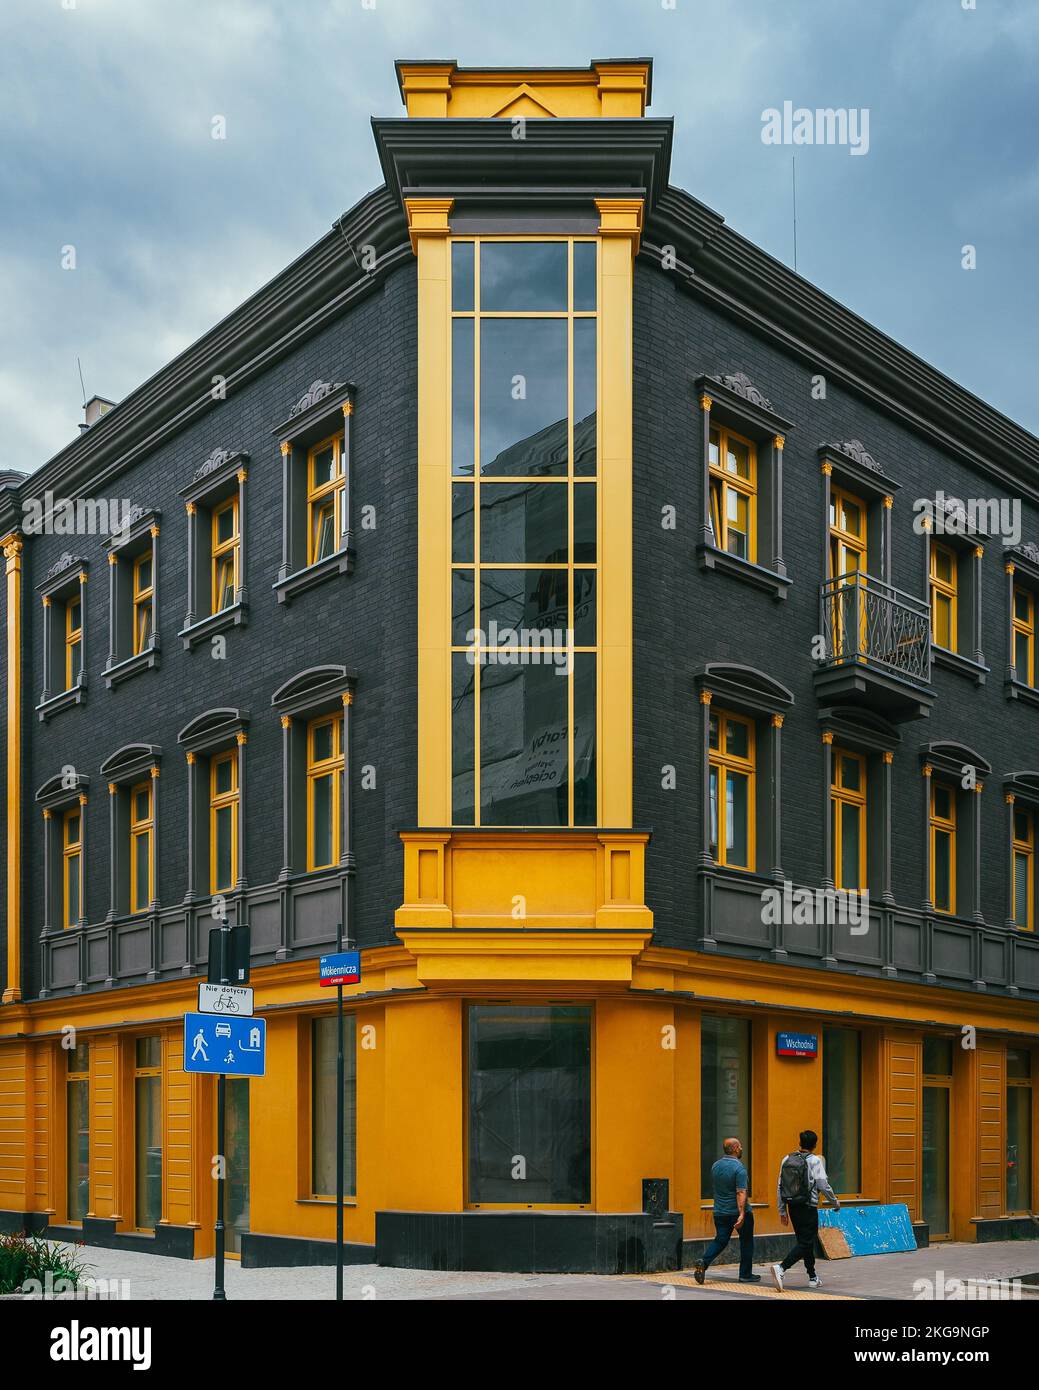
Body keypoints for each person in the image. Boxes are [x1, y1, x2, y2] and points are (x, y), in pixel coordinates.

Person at [771, 1129, 840, 1291]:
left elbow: (780, 1186)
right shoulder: (815, 1161)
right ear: (815, 1144)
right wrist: (835, 1202)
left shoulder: (787, 1159)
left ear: (800, 1142)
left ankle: (812, 1277)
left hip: (792, 1206)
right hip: (808, 1207)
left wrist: (782, 1211)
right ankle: (781, 1268)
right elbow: (823, 1185)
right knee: (806, 1242)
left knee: (805, 1242)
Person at [693, 1137, 761, 1285]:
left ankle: (703, 1262)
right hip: (737, 1212)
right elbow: (740, 1192)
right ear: (735, 1148)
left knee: (721, 1240)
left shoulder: (715, 1166)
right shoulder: (739, 1168)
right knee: (746, 1242)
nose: (742, 1149)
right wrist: (742, 1214)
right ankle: (745, 1274)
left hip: (720, 1212)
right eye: (741, 1147)